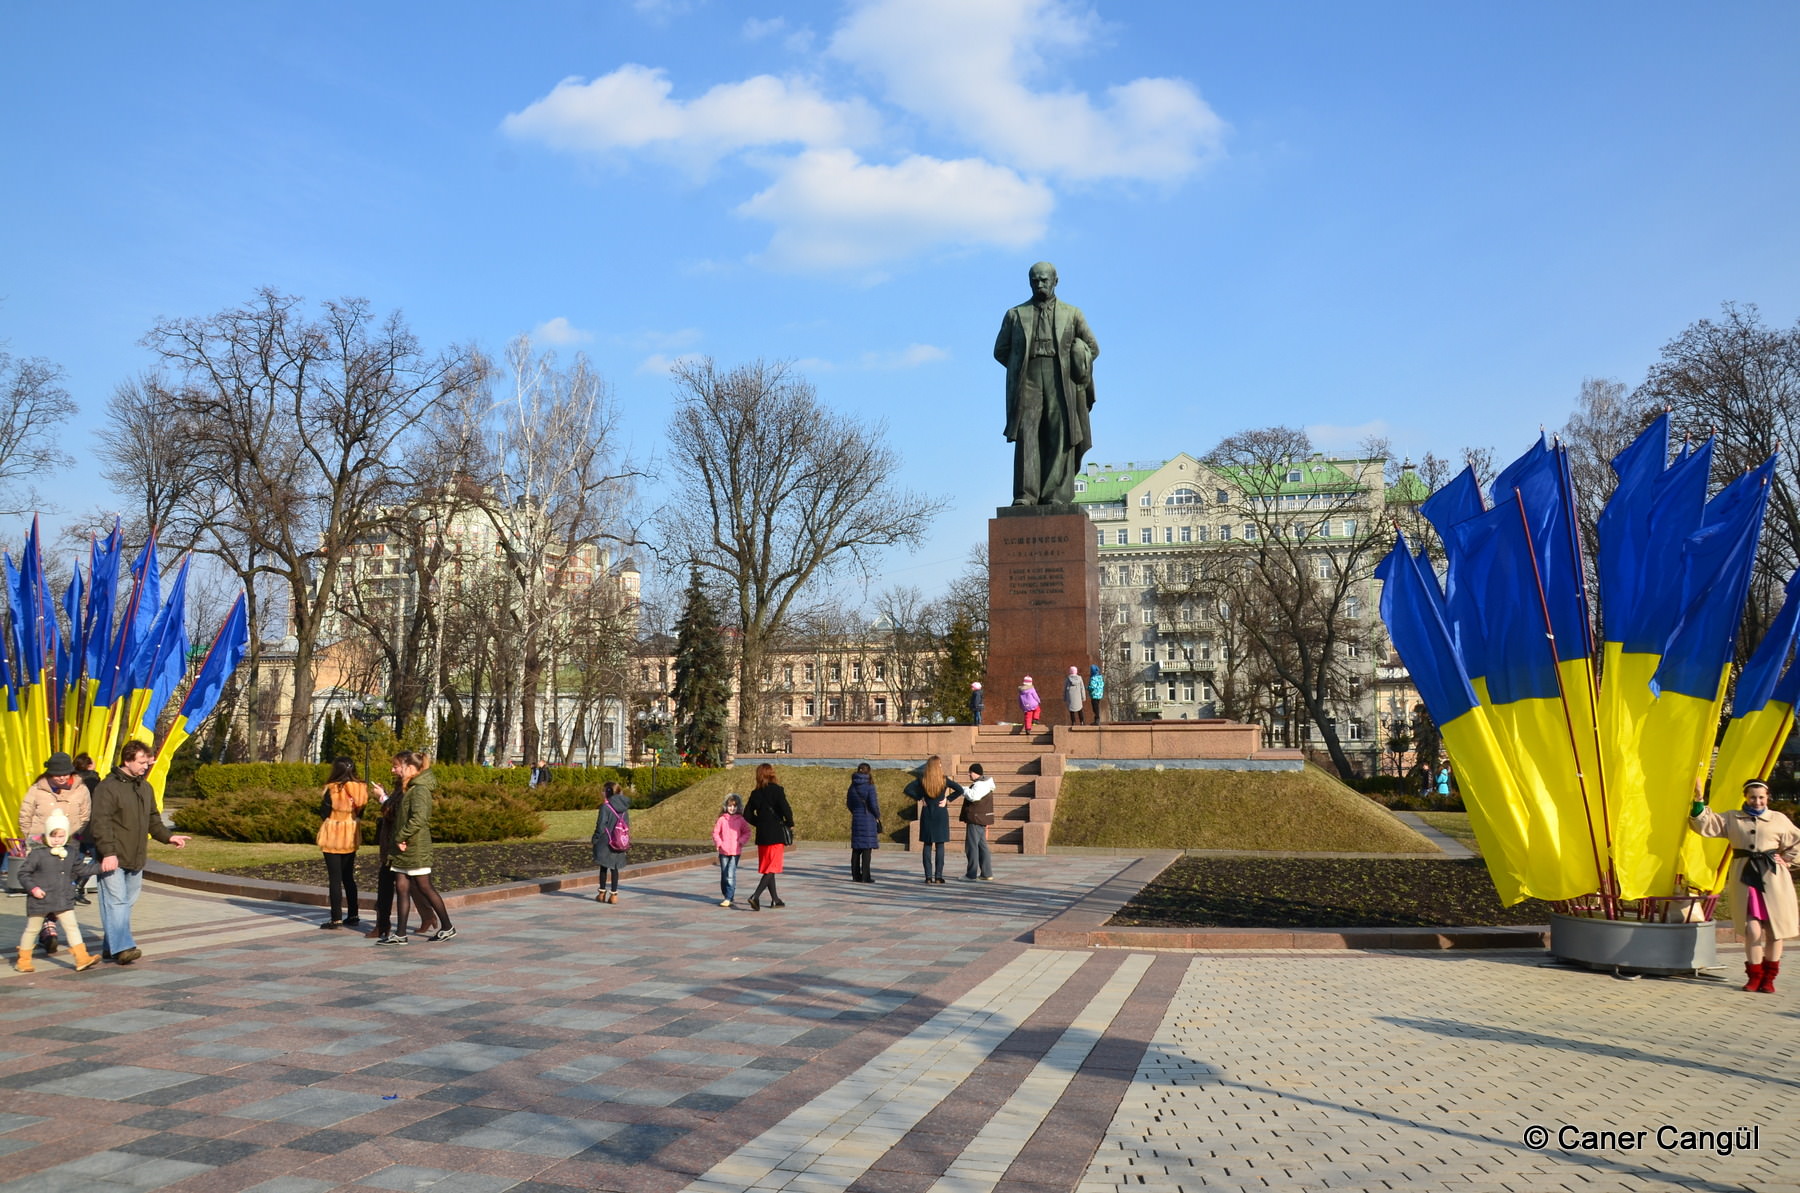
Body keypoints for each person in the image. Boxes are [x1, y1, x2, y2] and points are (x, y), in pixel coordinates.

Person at [993, 261, 1100, 506]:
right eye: (1035, 280)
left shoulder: (1072, 313)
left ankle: (1055, 494)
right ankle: (1025, 494)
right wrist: (1019, 364)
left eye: (1044, 280)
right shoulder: (1015, 314)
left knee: (1059, 431)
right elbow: (1000, 350)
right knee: (1026, 432)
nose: (1039, 284)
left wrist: (1077, 358)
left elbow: (1093, 347)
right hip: (1028, 376)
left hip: (1060, 377)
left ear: (1055, 281)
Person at [1689, 779, 1799, 993]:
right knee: (1751, 930)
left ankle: (1769, 978)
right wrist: (1699, 799)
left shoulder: (1778, 819)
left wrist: (1788, 860)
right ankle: (1754, 976)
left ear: (1767, 797)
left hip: (1773, 879)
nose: (1757, 801)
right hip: (1745, 879)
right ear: (1745, 797)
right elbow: (1705, 825)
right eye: (1752, 797)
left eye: (1761, 797)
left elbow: (1797, 841)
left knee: (1775, 931)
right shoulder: (1733, 818)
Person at [90, 741, 190, 964]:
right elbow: (100, 823)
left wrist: (168, 837)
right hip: (113, 857)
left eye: (147, 762)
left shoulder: (145, 788)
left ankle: (111, 945)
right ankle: (124, 948)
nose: (146, 766)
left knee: (126, 903)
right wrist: (108, 852)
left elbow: (153, 819)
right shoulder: (107, 787)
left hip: (136, 857)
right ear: (127, 761)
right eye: (142, 762)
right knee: (116, 902)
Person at [13, 813, 100, 972]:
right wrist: (33, 889)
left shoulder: (70, 852)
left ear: (66, 836)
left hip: (62, 898)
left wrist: (102, 867)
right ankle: (23, 960)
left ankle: (81, 958)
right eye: (53, 836)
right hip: (40, 899)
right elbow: (23, 874)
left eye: (61, 836)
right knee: (32, 929)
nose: (57, 840)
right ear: (47, 835)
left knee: (72, 927)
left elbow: (81, 869)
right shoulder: (38, 854)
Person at [386, 751, 454, 943]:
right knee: (401, 887)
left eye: (397, 766)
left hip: (415, 847)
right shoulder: (411, 788)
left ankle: (447, 927)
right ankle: (400, 934)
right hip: (404, 848)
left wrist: (400, 836)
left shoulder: (419, 790)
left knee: (425, 887)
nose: (394, 770)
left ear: (410, 768)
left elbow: (419, 819)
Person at [20, 753, 92, 919]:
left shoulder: (81, 789)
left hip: (69, 841)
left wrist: (72, 835)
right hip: (40, 841)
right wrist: (30, 838)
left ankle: (52, 919)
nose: (62, 777)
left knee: (62, 884)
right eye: (57, 774)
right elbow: (25, 816)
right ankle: (42, 920)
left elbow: (84, 816)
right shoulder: (37, 790)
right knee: (40, 882)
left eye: (65, 774)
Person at [371, 780, 437, 943]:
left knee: (414, 884)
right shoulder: (401, 787)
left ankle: (387, 926)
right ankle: (392, 925)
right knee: (405, 884)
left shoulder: (411, 789)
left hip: (400, 845)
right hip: (393, 845)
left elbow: (397, 814)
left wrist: (382, 798)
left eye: (397, 768)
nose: (393, 770)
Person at [316, 757, 373, 930]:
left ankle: (336, 918)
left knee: (335, 878)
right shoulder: (361, 788)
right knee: (348, 876)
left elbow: (324, 812)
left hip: (333, 834)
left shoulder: (332, 788)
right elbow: (361, 812)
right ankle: (353, 914)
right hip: (351, 833)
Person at [743, 763, 794, 911]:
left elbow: (747, 814)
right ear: (771, 774)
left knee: (768, 868)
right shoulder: (777, 790)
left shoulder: (755, 793)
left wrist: (759, 823)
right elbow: (786, 809)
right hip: (776, 834)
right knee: (772, 867)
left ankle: (775, 900)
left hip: (762, 835)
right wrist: (789, 823)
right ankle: (755, 896)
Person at [905, 755, 964, 884]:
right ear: (938, 766)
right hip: (940, 814)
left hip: (927, 813)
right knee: (940, 845)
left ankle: (928, 876)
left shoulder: (923, 779)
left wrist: (920, 797)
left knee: (927, 845)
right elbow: (959, 789)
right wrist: (948, 799)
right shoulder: (944, 780)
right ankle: (938, 876)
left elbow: (908, 789)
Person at [592, 781, 631, 904]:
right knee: (615, 868)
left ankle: (601, 893)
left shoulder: (605, 807)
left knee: (603, 867)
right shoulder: (624, 809)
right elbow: (627, 824)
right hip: (619, 841)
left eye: (604, 791)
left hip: (606, 840)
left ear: (608, 792)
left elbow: (601, 825)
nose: (602, 793)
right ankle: (614, 895)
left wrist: (595, 838)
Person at [846, 763, 882, 884]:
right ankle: (866, 876)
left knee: (856, 848)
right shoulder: (870, 786)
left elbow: (849, 803)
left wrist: (856, 812)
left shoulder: (852, 786)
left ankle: (856, 875)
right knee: (867, 849)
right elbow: (873, 804)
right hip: (868, 819)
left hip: (857, 818)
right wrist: (877, 815)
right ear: (869, 771)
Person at [713, 794, 751, 907]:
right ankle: (727, 894)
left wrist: (741, 841)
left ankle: (728, 897)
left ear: (738, 807)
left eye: (734, 806)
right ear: (726, 806)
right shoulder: (721, 819)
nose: (732, 808)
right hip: (723, 851)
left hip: (735, 851)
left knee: (730, 874)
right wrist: (719, 843)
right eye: (730, 806)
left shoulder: (741, 820)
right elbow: (715, 833)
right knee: (724, 874)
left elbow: (747, 832)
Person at [960, 762, 995, 881]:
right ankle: (986, 873)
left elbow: (973, 797)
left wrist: (963, 789)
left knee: (972, 847)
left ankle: (971, 874)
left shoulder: (980, 784)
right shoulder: (985, 783)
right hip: (981, 818)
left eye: (970, 772)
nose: (968, 774)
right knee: (982, 846)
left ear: (976, 773)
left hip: (975, 819)